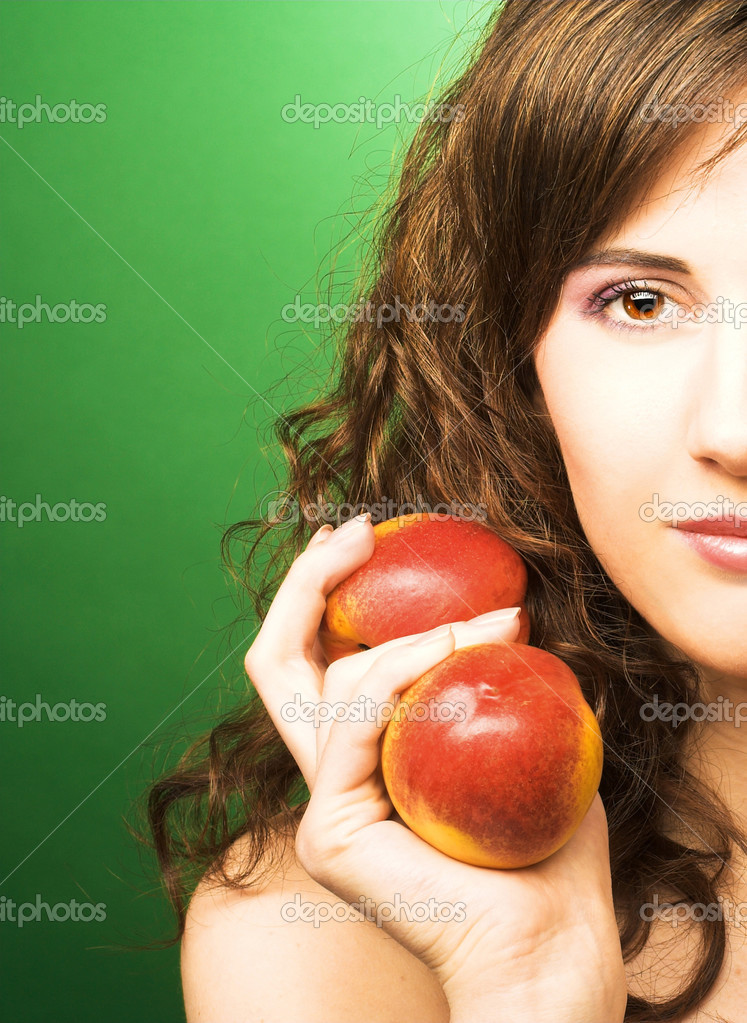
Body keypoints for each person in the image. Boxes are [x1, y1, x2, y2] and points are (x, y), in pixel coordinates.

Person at [146, 1, 747, 1019]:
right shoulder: (318, 954)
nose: (734, 427)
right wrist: (529, 988)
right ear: (517, 365)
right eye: (640, 302)